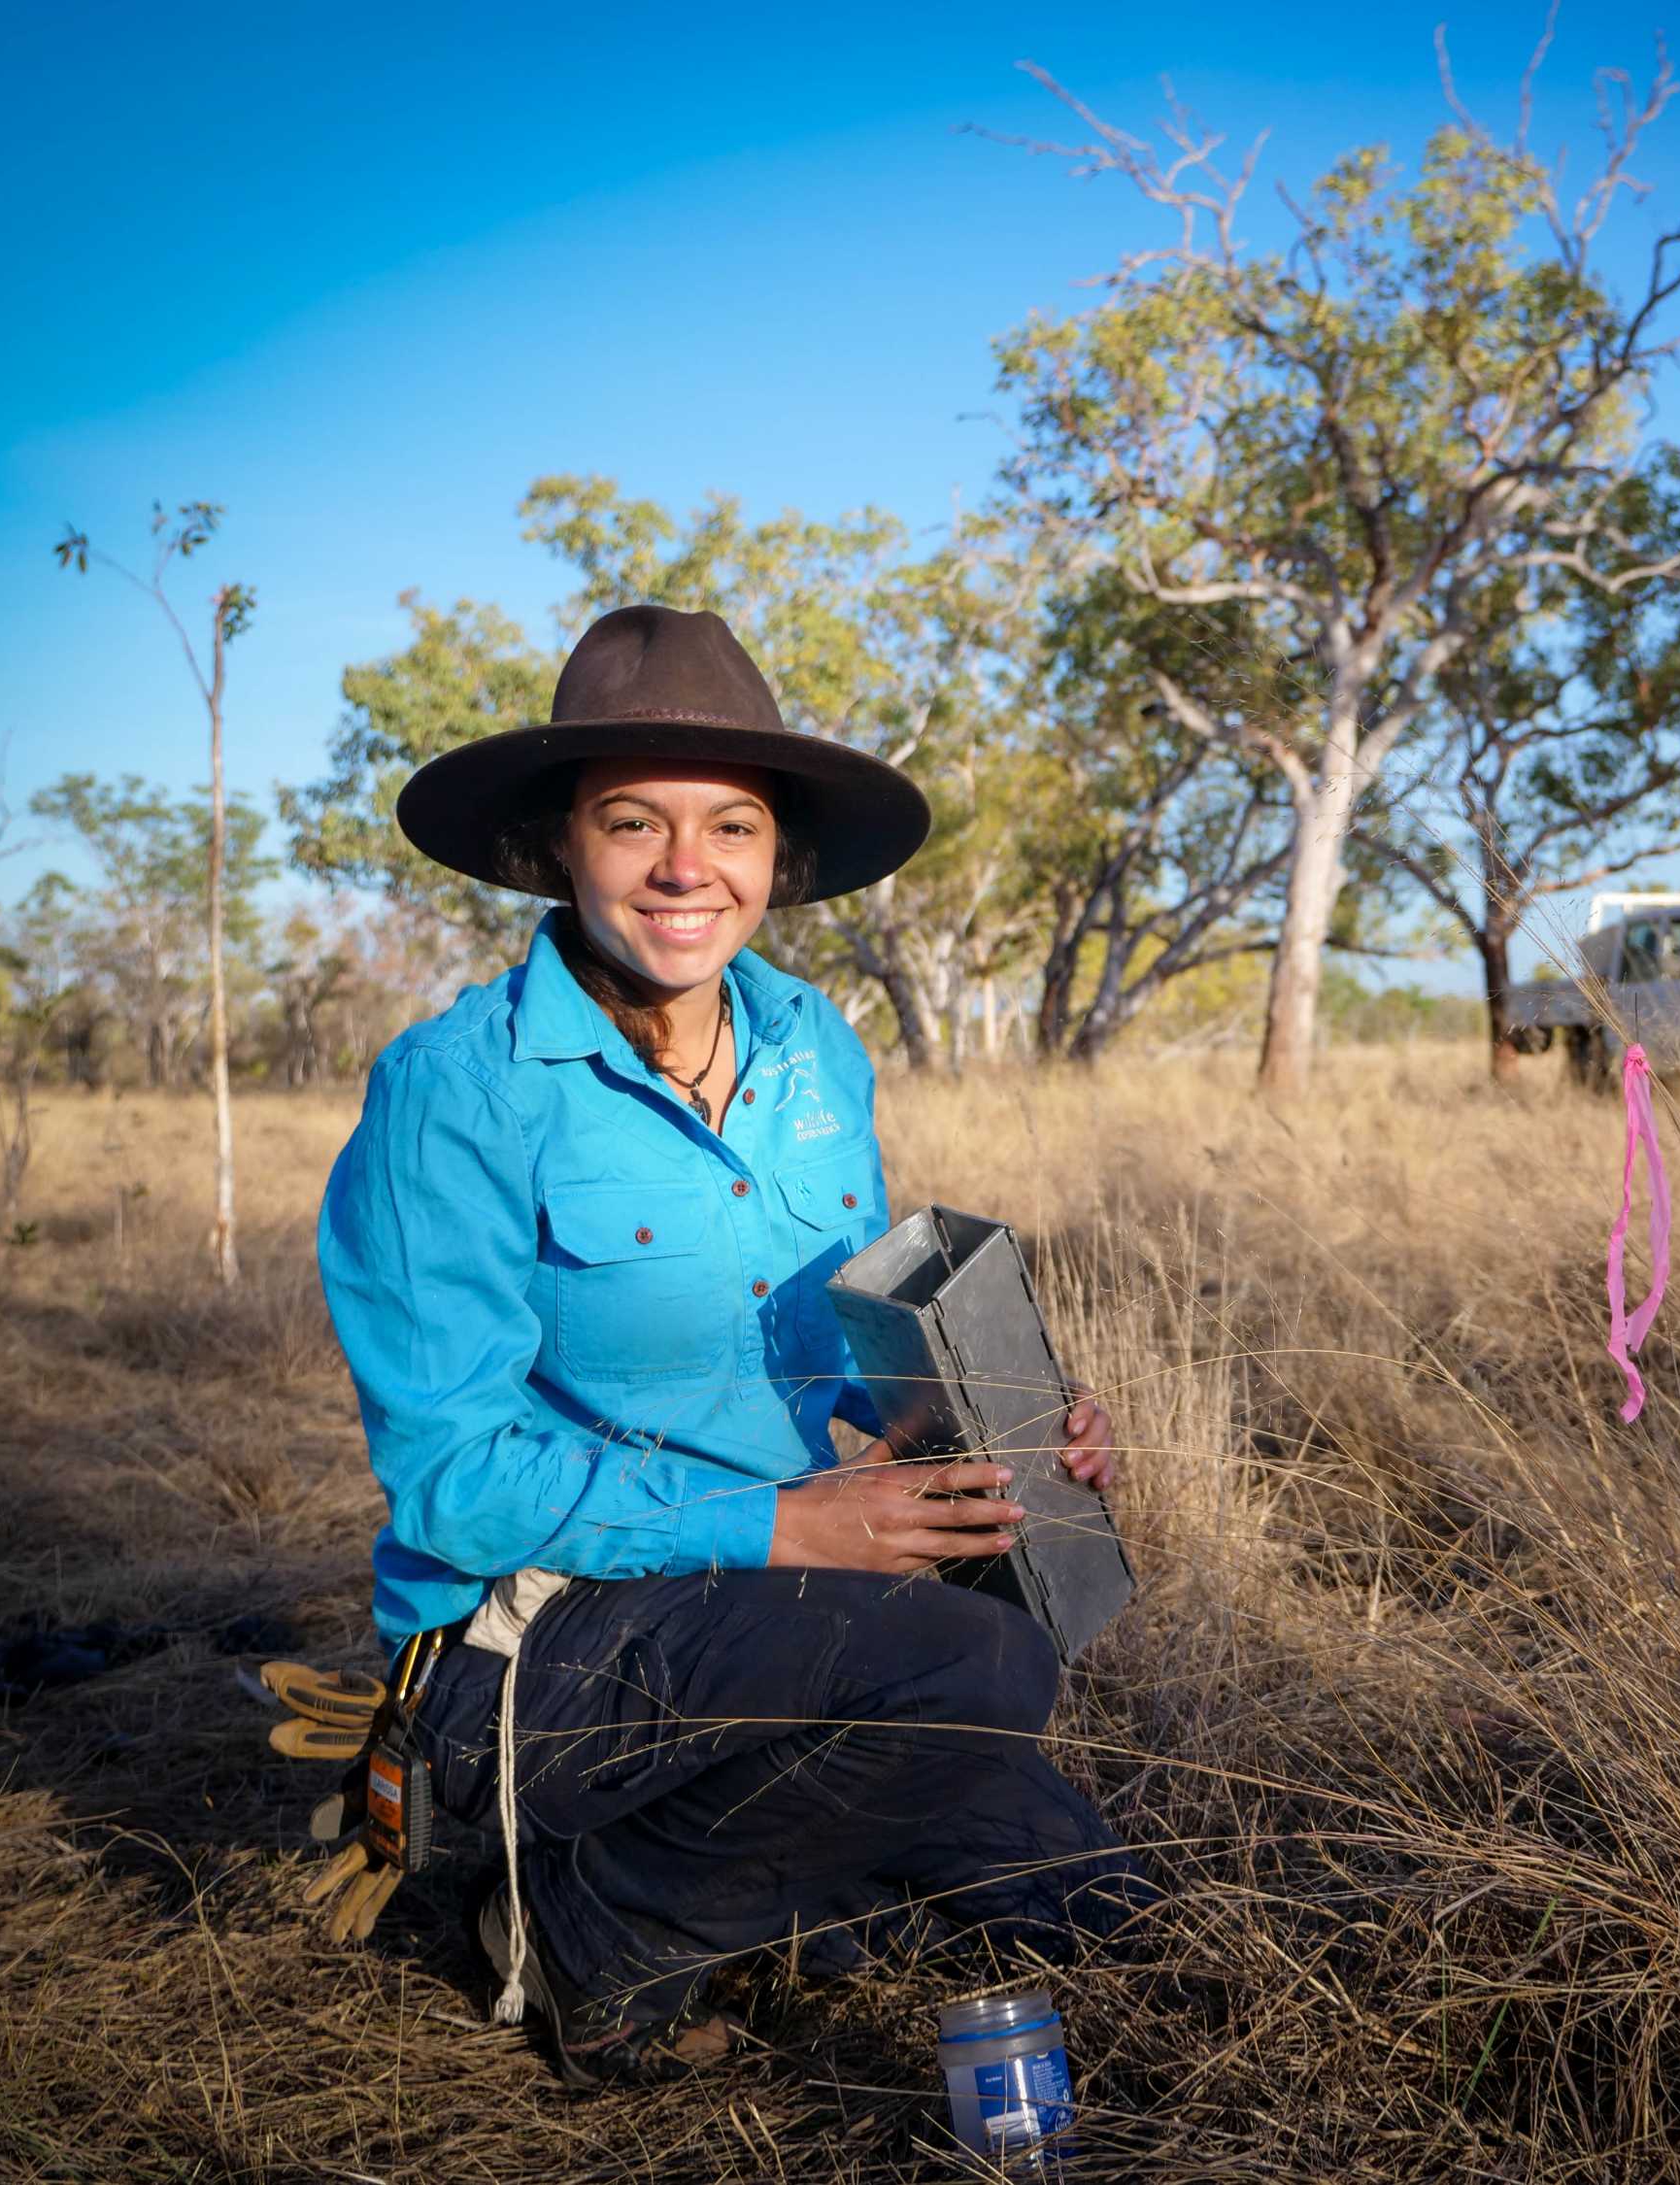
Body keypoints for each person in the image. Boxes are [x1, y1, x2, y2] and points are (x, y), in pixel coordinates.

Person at [317, 604, 1154, 2089]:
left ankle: (750, 1877)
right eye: (633, 820)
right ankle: (596, 1925)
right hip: (534, 1640)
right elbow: (451, 1477)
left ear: (778, 856)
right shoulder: (454, 1088)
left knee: (1087, 1897)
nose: (684, 868)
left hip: (770, 1592)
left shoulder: (812, 1045)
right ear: (561, 842)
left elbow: (826, 1350)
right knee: (984, 1665)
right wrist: (779, 1518)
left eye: (731, 826)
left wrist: (997, 1419)